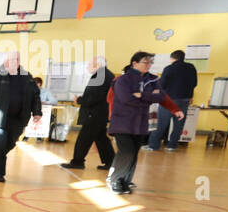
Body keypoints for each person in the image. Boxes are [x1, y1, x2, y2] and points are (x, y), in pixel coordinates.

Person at [107, 51, 182, 193]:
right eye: (145, 62)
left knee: (134, 153)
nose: (149, 65)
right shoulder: (122, 80)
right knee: (126, 152)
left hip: (141, 122)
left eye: (150, 62)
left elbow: (161, 97)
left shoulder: (153, 80)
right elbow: (126, 99)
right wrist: (149, 98)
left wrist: (142, 95)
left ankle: (125, 181)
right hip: (122, 122)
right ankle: (114, 180)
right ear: (134, 63)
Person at [0, 51, 41, 182]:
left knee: (11, 143)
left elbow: (35, 96)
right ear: (5, 62)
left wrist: (37, 112)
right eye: (10, 60)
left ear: (18, 62)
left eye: (15, 60)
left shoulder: (27, 77)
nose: (12, 62)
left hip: (18, 119)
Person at [61, 56, 115, 170]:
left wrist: (79, 100)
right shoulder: (106, 75)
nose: (87, 66)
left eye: (90, 64)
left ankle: (77, 162)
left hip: (94, 114)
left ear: (98, 65)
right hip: (100, 113)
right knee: (101, 138)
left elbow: (93, 97)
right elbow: (96, 95)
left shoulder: (101, 76)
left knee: (84, 138)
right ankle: (111, 162)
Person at [146, 49, 197, 151]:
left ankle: (153, 145)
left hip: (169, 100)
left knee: (161, 123)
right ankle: (172, 146)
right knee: (179, 124)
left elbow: (162, 84)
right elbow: (195, 83)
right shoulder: (191, 67)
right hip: (185, 100)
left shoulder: (169, 68)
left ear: (172, 58)